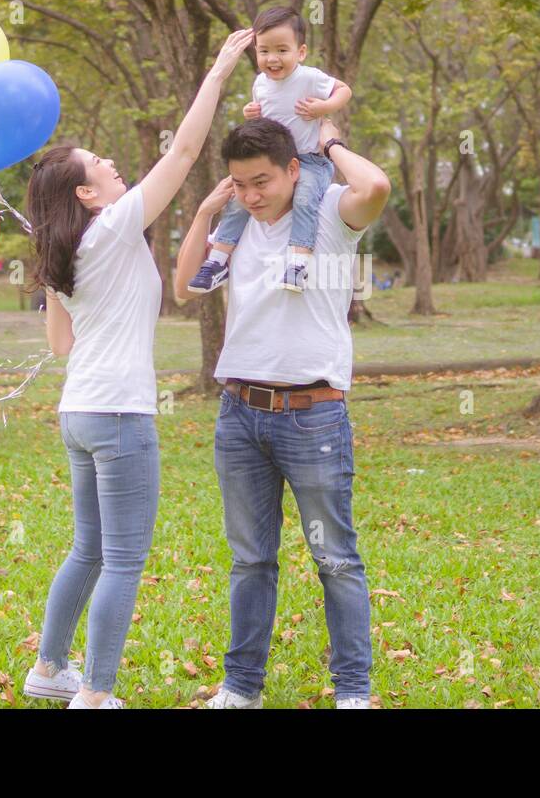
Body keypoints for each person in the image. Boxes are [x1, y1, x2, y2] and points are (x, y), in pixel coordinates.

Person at [20, 28, 254, 710]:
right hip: (121, 413)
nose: (116, 165)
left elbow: (60, 346)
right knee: (121, 559)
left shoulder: (67, 254)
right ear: (89, 196)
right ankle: (93, 695)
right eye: (102, 165)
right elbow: (182, 151)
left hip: (80, 413)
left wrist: (209, 209)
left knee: (88, 550)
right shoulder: (116, 226)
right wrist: (217, 71)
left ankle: (48, 670)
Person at [175, 116, 391, 708]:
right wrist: (204, 213)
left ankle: (352, 691)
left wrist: (331, 143)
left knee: (336, 560)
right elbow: (182, 288)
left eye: (262, 181)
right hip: (239, 414)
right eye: (239, 183)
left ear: (295, 170)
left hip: (313, 416)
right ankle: (241, 688)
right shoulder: (236, 225)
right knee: (250, 561)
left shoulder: (328, 214)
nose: (250, 194)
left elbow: (375, 188)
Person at [187, 7, 352, 295]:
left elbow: (344, 90)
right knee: (240, 200)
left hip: (310, 161)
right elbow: (264, 121)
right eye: (264, 51)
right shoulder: (260, 84)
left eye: (281, 50)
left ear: (300, 52)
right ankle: (217, 260)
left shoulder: (309, 78)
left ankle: (298, 262)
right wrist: (251, 112)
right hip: (274, 162)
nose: (272, 58)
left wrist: (323, 108)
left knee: (304, 199)